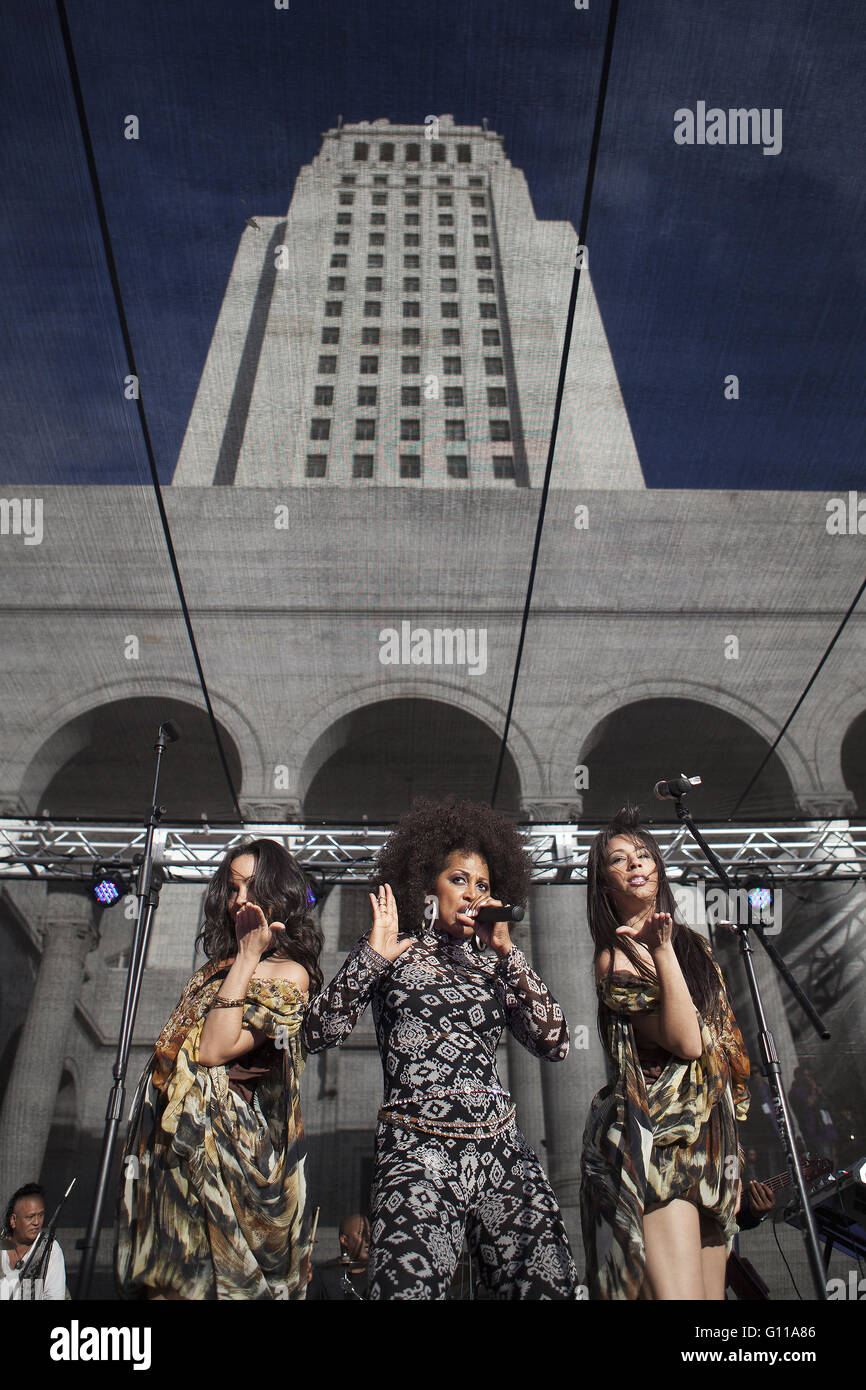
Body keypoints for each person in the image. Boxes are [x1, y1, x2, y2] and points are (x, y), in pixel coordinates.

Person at [302, 797, 579, 1300]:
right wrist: (369, 956)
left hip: (501, 1151)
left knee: (549, 1286)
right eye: (459, 880)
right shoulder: (393, 952)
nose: (473, 894)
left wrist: (509, 954)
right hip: (418, 1151)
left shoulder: (496, 966)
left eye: (484, 885)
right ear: (428, 883)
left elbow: (556, 1042)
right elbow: (317, 1031)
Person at [116, 838, 323, 1299]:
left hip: (227, 1153)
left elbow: (213, 1049)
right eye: (233, 888)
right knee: (165, 1283)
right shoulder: (211, 971)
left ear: (280, 893)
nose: (241, 899)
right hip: (167, 1144)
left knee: (217, 1286)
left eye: (253, 886)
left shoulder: (290, 973)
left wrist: (250, 955)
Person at [580, 806, 750, 1300]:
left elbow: (724, 1052)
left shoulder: (695, 945)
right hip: (659, 1142)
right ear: (604, 883)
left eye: (644, 854)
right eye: (619, 860)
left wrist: (733, 1156)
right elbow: (686, 1041)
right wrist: (661, 951)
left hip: (710, 1145)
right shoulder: (614, 957)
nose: (636, 864)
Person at [1, 1183, 66, 1300]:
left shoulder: (50, 1250)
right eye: (30, 1217)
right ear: (13, 1220)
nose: (36, 1222)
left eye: (40, 1215)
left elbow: (55, 1297)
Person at [307, 1214, 370, 1300]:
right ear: (344, 1240)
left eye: (369, 1233)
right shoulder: (322, 1274)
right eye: (361, 1234)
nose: (367, 1238)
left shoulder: (376, 1274)